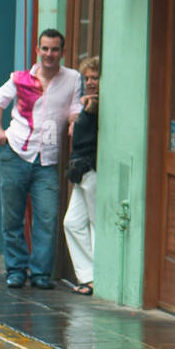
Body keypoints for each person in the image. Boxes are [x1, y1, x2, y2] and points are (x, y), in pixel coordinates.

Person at [0, 29, 82, 289]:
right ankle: (16, 270)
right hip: (15, 152)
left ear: (62, 53)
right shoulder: (20, 79)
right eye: (45, 49)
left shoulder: (73, 79)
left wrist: (76, 121)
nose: (49, 54)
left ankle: (40, 273)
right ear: (38, 50)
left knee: (47, 217)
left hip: (47, 160)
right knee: (12, 218)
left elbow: (74, 108)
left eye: (54, 50)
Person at [63, 56, 99, 295]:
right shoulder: (86, 103)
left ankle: (96, 278)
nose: (90, 82)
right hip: (80, 173)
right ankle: (88, 275)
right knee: (72, 222)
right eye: (86, 78)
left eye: (94, 77)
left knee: (97, 225)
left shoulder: (97, 105)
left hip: (93, 170)